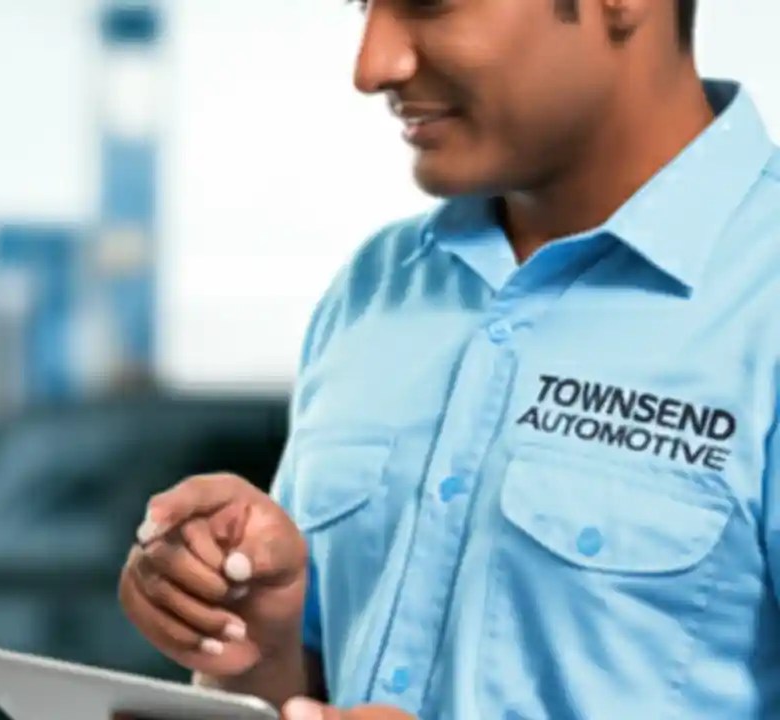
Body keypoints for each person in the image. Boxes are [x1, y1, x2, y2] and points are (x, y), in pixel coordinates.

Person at [117, 0, 780, 718]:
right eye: (364, 6)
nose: (372, 67)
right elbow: (306, 692)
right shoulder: (375, 289)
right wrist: (255, 651)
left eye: (429, 4)